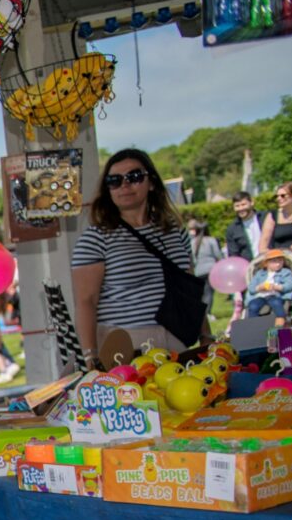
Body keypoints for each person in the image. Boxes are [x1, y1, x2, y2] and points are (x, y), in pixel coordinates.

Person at [70, 148, 195, 367]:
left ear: (152, 182)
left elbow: (190, 289)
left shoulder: (175, 230)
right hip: (126, 345)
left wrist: (206, 336)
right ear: (107, 190)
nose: (124, 185)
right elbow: (85, 302)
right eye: (114, 180)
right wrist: (90, 356)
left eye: (134, 177)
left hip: (178, 340)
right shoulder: (96, 237)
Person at [187, 218, 226, 324]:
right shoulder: (210, 240)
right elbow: (218, 255)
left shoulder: (191, 242)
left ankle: (202, 314)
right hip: (210, 270)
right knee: (208, 293)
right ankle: (207, 313)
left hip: (198, 271)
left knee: (201, 294)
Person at [246, 250, 292, 322]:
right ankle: (252, 324)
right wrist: (259, 287)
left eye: (280, 261)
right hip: (261, 296)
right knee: (253, 305)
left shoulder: (285, 272)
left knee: (276, 303)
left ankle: (281, 322)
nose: (278, 264)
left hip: (276, 295)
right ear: (266, 263)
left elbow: (291, 285)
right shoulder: (259, 274)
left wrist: (278, 287)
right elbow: (251, 288)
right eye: (274, 262)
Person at [262, 181, 292, 258]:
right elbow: (264, 241)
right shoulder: (272, 215)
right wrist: (267, 253)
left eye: (283, 196)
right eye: (277, 196)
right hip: (280, 257)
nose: (278, 199)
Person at [224, 190, 266, 262]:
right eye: (237, 206)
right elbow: (233, 256)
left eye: (243, 204)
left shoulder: (265, 218)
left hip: (271, 262)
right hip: (250, 266)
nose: (241, 208)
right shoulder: (232, 229)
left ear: (251, 203)